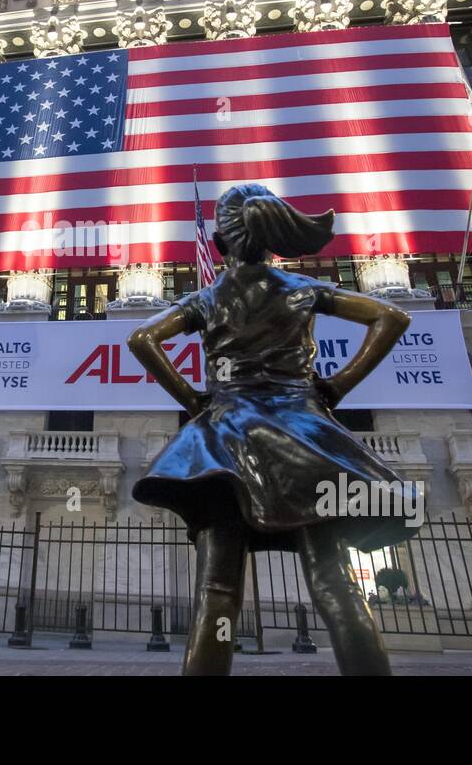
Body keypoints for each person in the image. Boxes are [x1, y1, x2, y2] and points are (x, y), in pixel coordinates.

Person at [128, 183, 419, 676]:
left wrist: (195, 400)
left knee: (217, 591)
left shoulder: (207, 298)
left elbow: (142, 338)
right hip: (303, 434)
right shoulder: (302, 290)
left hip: (226, 437)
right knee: (334, 582)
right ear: (273, 238)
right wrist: (338, 386)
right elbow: (391, 315)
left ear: (221, 240)